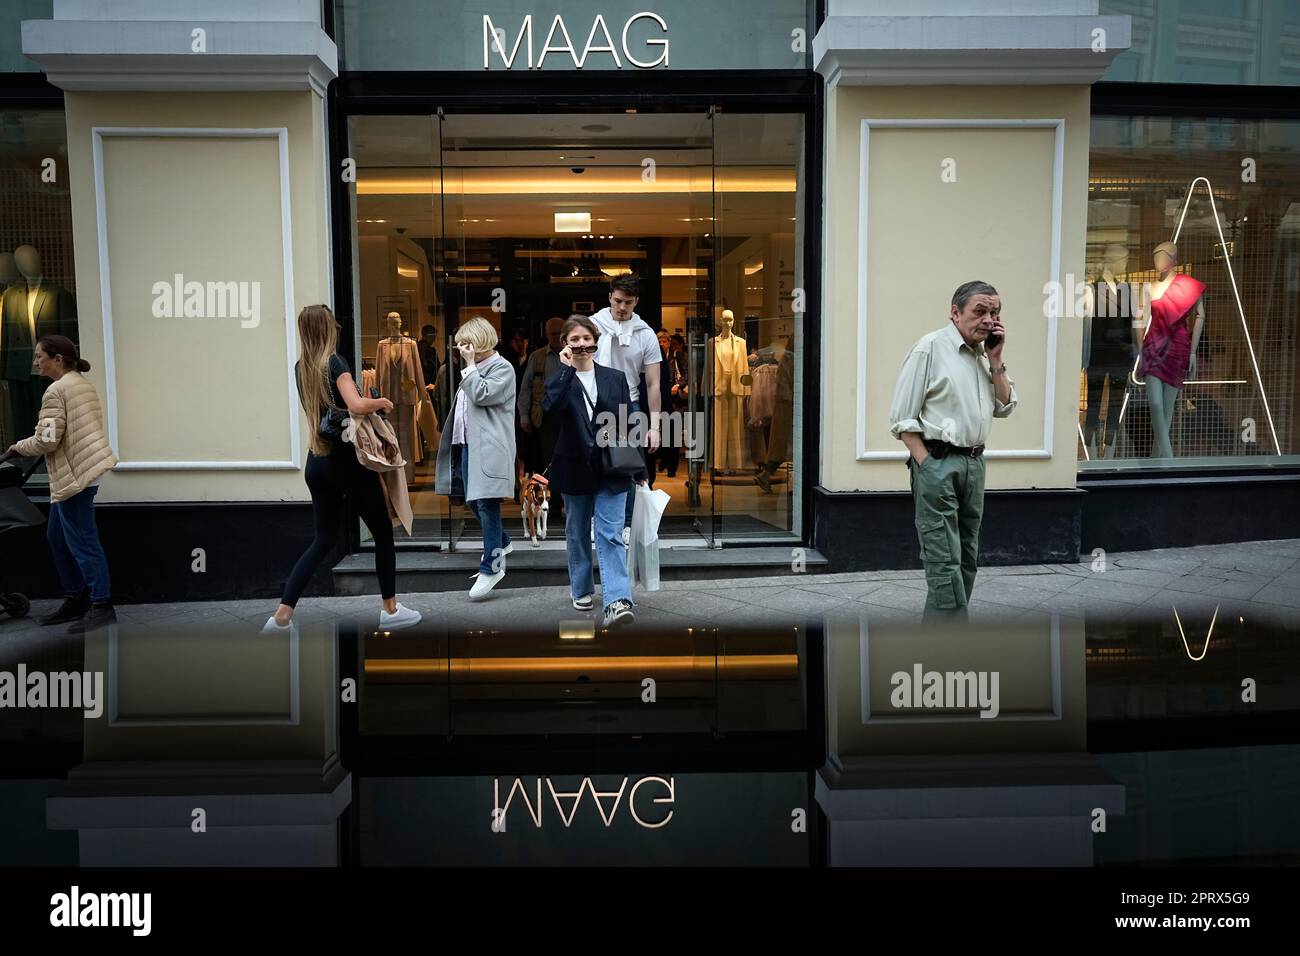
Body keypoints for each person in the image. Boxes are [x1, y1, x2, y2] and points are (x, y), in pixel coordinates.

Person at [266, 305, 421, 632]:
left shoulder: (300, 368)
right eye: (333, 325)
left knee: (322, 540)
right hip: (347, 463)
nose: (337, 329)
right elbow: (355, 405)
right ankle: (390, 610)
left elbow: (324, 412)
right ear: (327, 329)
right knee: (382, 533)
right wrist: (382, 402)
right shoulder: (334, 362)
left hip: (316, 463)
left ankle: (282, 615)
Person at [888, 281, 1017, 618]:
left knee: (967, 556)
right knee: (943, 559)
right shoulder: (929, 348)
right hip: (938, 463)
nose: (989, 320)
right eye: (980, 311)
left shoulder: (984, 356)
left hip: (974, 464)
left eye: (994, 313)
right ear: (955, 312)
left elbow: (1004, 405)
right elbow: (902, 417)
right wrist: (926, 464)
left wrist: (997, 359)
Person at [7, 335, 117, 632]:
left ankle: (101, 604)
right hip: (83, 471)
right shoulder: (81, 384)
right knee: (58, 537)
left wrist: (18, 447)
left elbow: (47, 440)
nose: (35, 362)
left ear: (57, 359)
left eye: (39, 356)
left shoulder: (57, 390)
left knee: (83, 542)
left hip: (75, 476)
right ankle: (77, 597)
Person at [542, 315, 640, 627]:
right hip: (573, 466)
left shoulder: (615, 378)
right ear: (565, 345)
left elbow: (627, 423)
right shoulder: (559, 378)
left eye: (586, 338)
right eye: (575, 340)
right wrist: (567, 371)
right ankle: (581, 587)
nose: (582, 344)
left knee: (610, 533)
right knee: (577, 531)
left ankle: (617, 599)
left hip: (612, 467)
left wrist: (640, 469)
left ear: (595, 340)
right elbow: (550, 411)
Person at [435, 316, 517, 600]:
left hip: (490, 449)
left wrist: (469, 367)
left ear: (479, 342)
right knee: (471, 500)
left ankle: (492, 567)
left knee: (486, 503)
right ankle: (502, 541)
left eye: (464, 344)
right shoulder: (475, 369)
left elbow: (482, 395)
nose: (459, 349)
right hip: (469, 445)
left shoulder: (501, 367)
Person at [589, 273, 661, 539]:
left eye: (628, 303)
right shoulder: (592, 327)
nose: (621, 307)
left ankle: (627, 525)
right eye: (618, 301)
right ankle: (597, 520)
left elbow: (653, 384)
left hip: (628, 405)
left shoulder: (645, 334)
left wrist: (655, 427)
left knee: (627, 466)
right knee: (595, 461)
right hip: (594, 403)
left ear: (636, 302)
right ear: (610, 297)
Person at [518, 316, 566, 475]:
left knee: (568, 454)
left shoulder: (576, 355)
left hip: (569, 413)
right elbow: (526, 388)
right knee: (548, 456)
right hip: (544, 414)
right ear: (546, 334)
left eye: (560, 333)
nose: (556, 336)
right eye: (553, 333)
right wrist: (524, 416)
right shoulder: (537, 357)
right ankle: (553, 495)